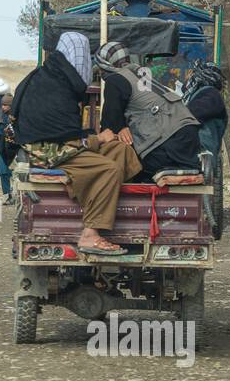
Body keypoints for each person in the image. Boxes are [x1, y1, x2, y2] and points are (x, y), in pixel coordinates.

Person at [11, 32, 141, 255]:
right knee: (108, 170)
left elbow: (67, 132)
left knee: (120, 150)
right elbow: (61, 138)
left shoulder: (57, 79)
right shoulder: (51, 86)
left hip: (63, 145)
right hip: (47, 151)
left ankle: (99, 204)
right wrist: (97, 139)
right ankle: (90, 235)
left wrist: (99, 140)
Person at [94, 41, 201, 182]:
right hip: (189, 134)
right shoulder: (139, 72)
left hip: (167, 143)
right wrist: (123, 127)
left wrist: (115, 131)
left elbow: (109, 127)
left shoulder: (115, 80)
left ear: (105, 64)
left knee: (131, 164)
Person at [184, 61, 228, 159]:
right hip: (200, 152)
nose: (188, 77)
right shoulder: (207, 94)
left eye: (192, 74)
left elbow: (190, 115)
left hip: (200, 152)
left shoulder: (209, 94)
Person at [0, 89, 17, 204]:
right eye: (2, 105)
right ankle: (7, 195)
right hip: (1, 147)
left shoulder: (16, 116)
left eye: (6, 105)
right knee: (3, 172)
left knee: (14, 172)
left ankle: (15, 194)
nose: (3, 107)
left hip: (13, 147)